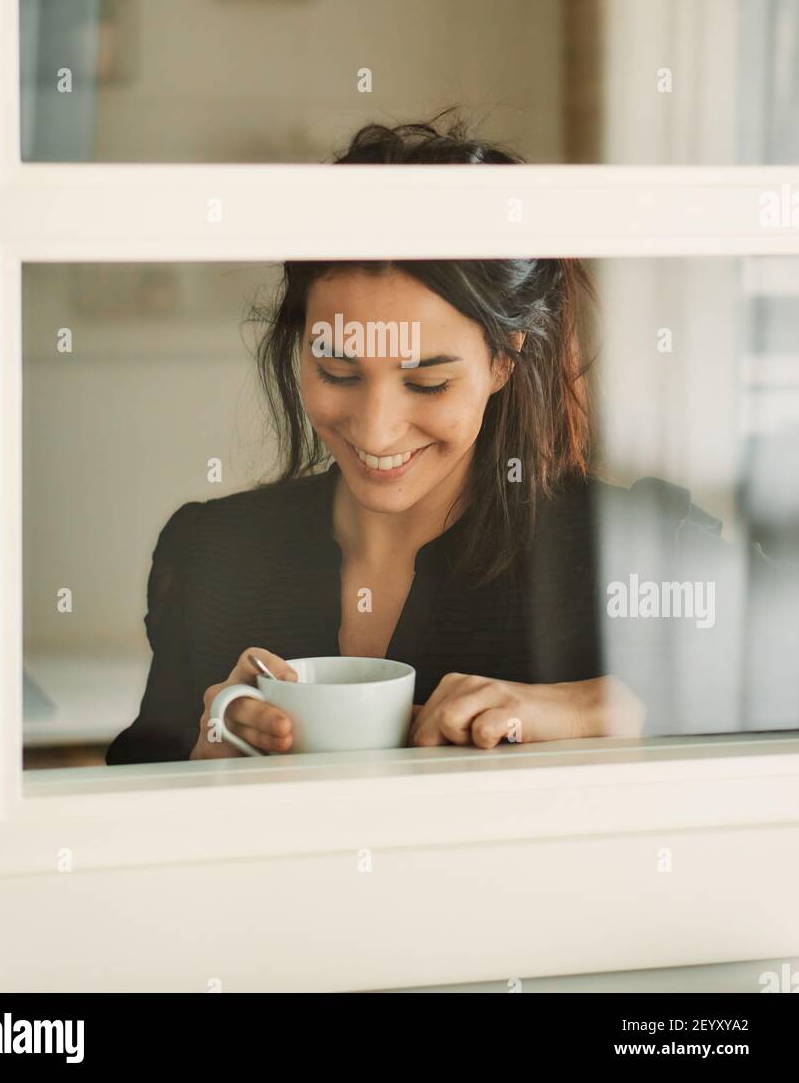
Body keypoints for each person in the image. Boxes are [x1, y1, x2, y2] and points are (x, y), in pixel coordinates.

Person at [106, 116, 779, 766]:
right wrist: (202, 763)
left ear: (504, 361)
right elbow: (134, 803)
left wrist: (609, 711)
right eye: (337, 371)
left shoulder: (628, 554)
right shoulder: (213, 556)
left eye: (427, 383)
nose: (376, 430)